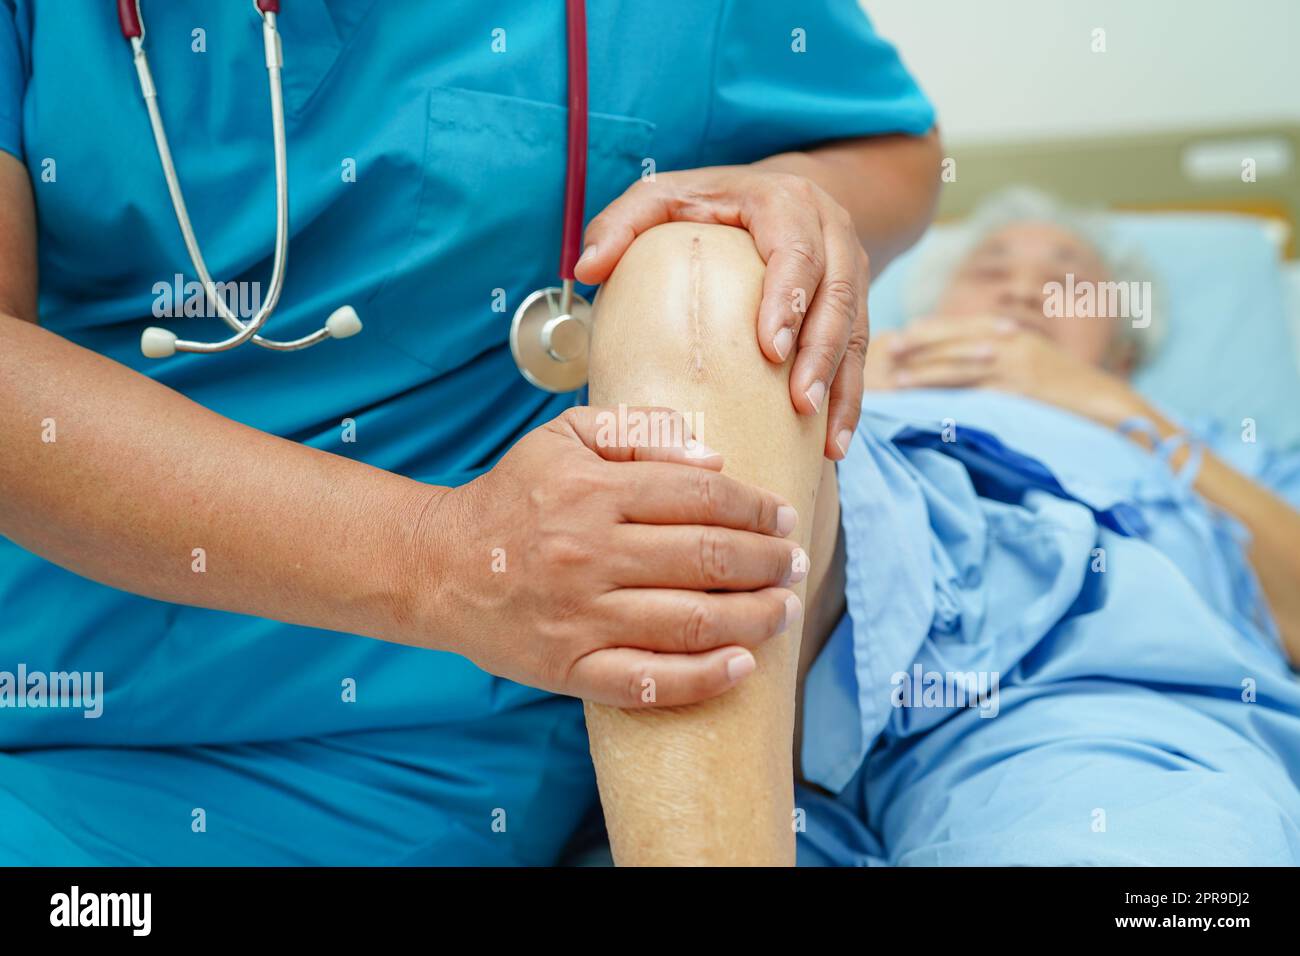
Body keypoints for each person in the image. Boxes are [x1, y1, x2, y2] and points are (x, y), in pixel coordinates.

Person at [0, 2, 939, 864]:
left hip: (419, 750)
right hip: (51, 671)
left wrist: (784, 194)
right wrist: (441, 557)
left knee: (714, 274)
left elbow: (891, 147)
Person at [863, 188, 1300, 664]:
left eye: (1067, 285)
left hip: (1127, 698)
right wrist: (843, 388)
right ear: (928, 317)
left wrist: (1113, 407)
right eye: (989, 273)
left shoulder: (1207, 451)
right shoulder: (858, 398)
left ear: (1122, 353)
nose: (1024, 293)